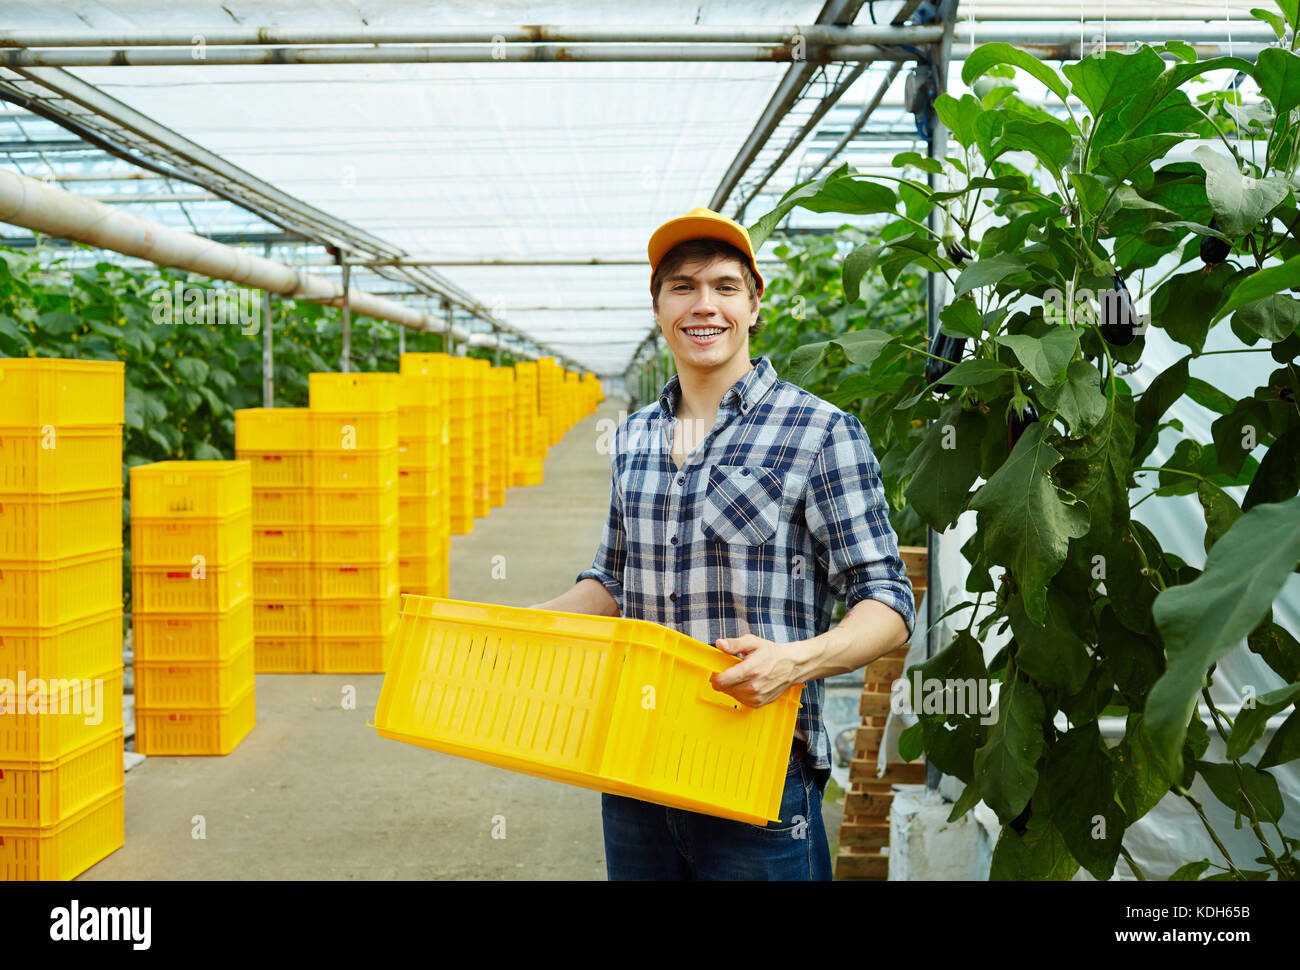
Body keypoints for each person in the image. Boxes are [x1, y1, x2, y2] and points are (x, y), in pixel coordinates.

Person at [530, 206, 916, 880]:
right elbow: (614, 579)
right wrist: (522, 630)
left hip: (754, 769)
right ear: (657, 310)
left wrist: (794, 662)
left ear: (754, 304)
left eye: (724, 286)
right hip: (635, 761)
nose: (703, 305)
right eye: (681, 286)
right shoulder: (635, 437)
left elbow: (885, 598)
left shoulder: (820, 432)